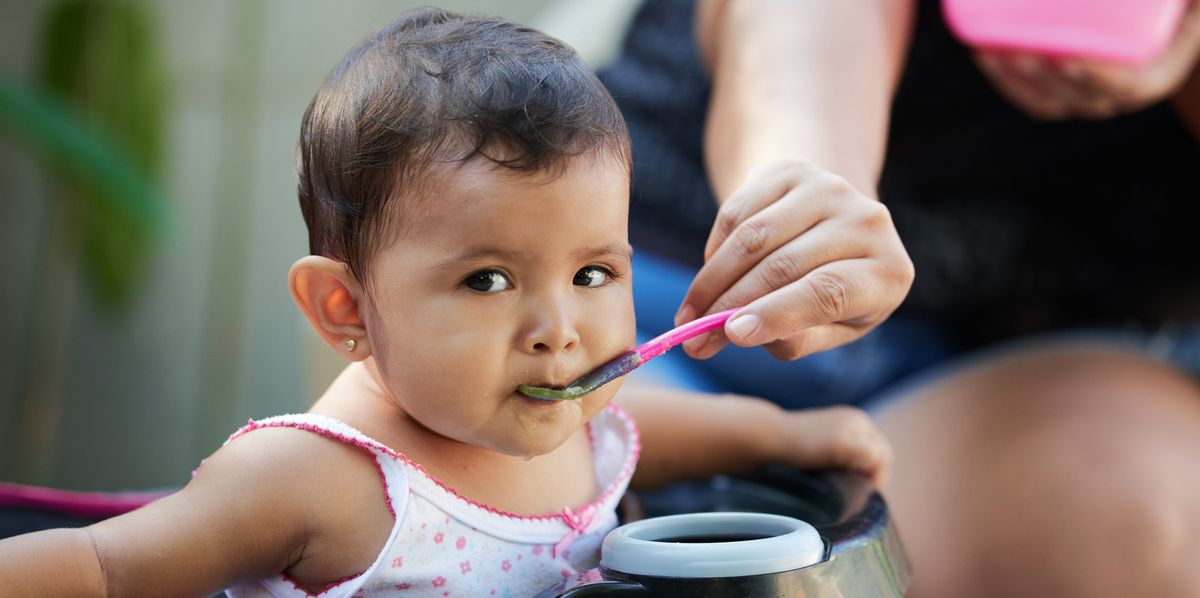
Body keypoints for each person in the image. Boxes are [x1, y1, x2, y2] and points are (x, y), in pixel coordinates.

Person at [0, 8, 892, 597]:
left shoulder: (574, 417)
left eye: (593, 275)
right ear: (346, 310)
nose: (559, 333)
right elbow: (103, 569)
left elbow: (658, 434)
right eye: (488, 281)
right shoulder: (318, 481)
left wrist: (788, 438)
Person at [601, 0, 1200, 596]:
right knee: (561, 471)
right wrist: (800, 195)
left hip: (977, 396)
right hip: (645, 300)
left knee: (1154, 512)